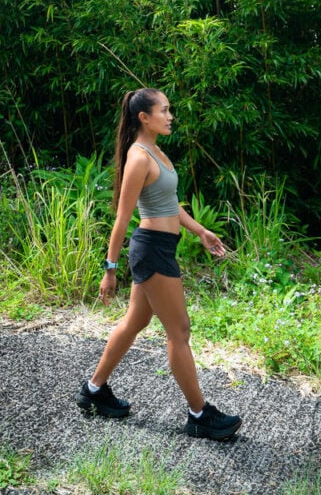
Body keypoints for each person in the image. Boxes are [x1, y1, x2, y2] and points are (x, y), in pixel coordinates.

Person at [76, 87, 242, 441]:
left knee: (136, 320)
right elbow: (122, 219)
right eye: (164, 111)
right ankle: (199, 415)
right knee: (179, 331)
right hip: (151, 249)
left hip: (162, 245)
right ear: (143, 117)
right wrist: (110, 269)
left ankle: (93, 391)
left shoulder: (157, 151)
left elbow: (170, 202)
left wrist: (200, 231)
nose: (170, 116)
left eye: (170, 110)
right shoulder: (139, 157)